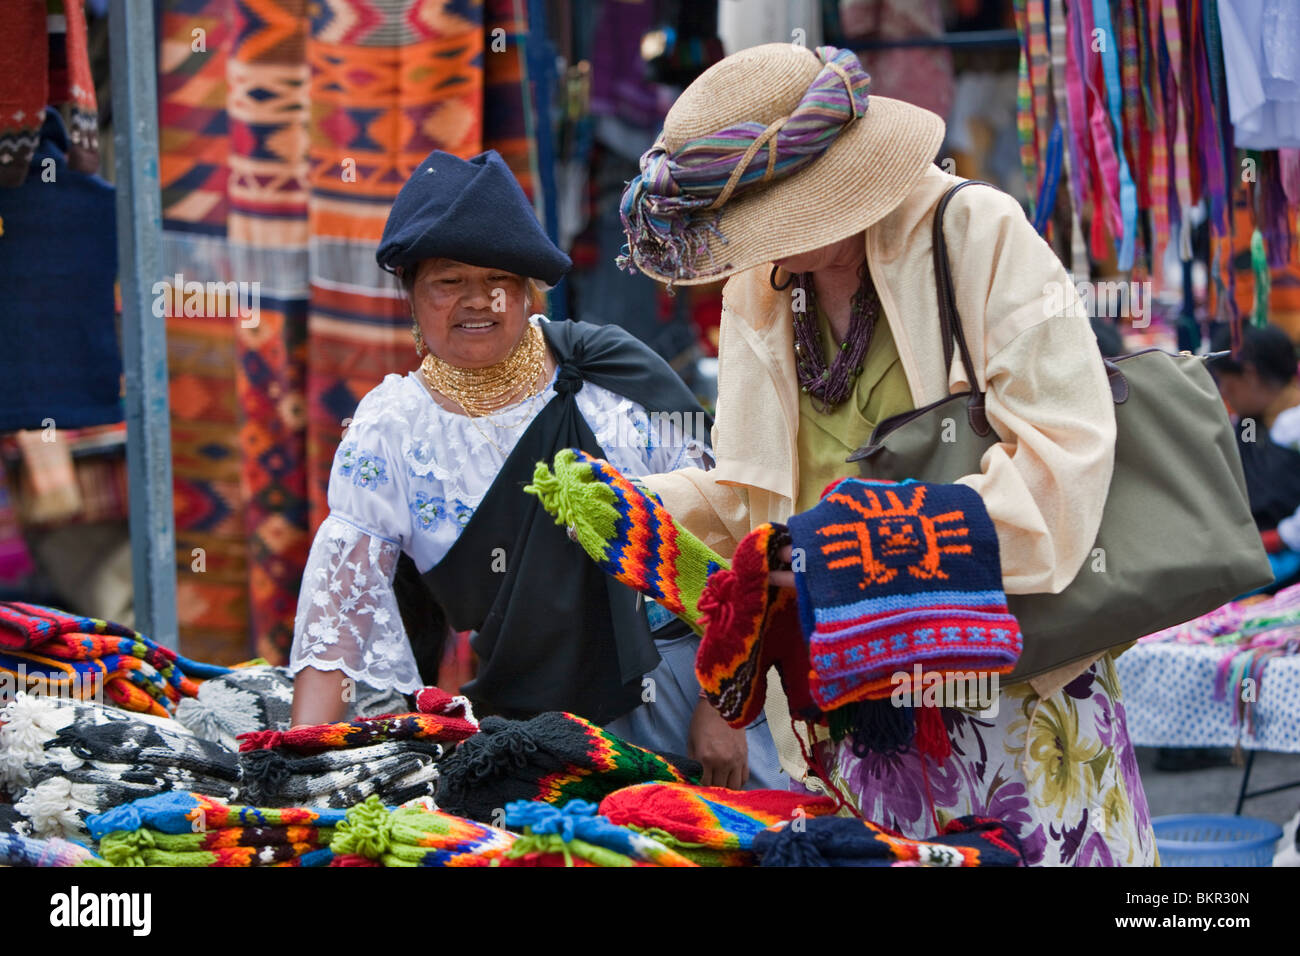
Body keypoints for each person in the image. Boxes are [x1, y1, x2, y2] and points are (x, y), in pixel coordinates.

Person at [616, 43, 1155, 865]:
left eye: (769, 224)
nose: (756, 249)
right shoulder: (761, 290)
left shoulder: (973, 230)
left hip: (1007, 691)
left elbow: (1063, 463)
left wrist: (852, 554)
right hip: (853, 702)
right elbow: (755, 500)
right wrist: (633, 506)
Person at [288, 148, 783, 789]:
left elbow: (734, 542)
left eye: (499, 278)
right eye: (447, 280)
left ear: (528, 293)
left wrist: (726, 712)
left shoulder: (610, 380)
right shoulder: (389, 430)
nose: (478, 301)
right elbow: (337, 618)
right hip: (533, 731)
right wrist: (296, 771)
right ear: (410, 294)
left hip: (689, 690)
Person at [1209, 323, 1300, 592]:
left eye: (1226, 381)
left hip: (1286, 560)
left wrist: (1275, 539)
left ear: (1250, 374)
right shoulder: (1250, 420)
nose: (1223, 391)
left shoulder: (1293, 424)